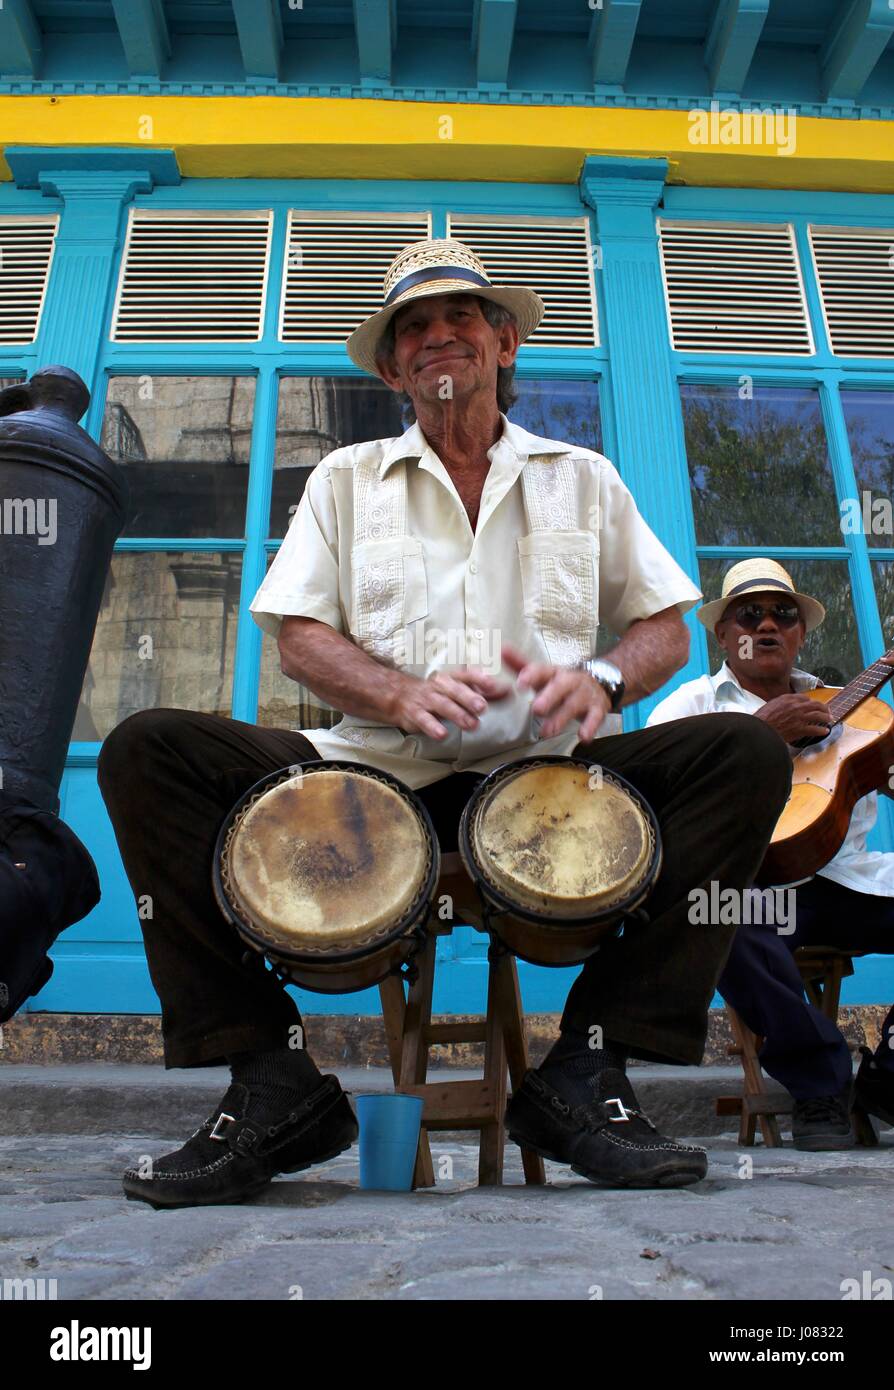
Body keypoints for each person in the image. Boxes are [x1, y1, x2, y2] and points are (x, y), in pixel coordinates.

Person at [97, 239, 792, 1207]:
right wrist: (391, 692)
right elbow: (297, 633)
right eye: (412, 329)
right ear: (391, 367)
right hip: (371, 768)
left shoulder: (580, 476)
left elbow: (664, 629)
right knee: (147, 750)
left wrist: (598, 675)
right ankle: (268, 1080)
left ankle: (589, 1069)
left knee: (747, 751)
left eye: (460, 318)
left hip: (548, 770)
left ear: (504, 341)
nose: (437, 338)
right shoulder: (346, 476)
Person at [647, 557, 894, 1150]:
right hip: (757, 882)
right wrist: (759, 733)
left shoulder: (856, 709)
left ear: (800, 633)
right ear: (723, 634)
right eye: (748, 614)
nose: (766, 625)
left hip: (847, 876)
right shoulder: (691, 707)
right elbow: (653, 802)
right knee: (718, 914)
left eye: (782, 614)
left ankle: (889, 1081)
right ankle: (820, 1085)